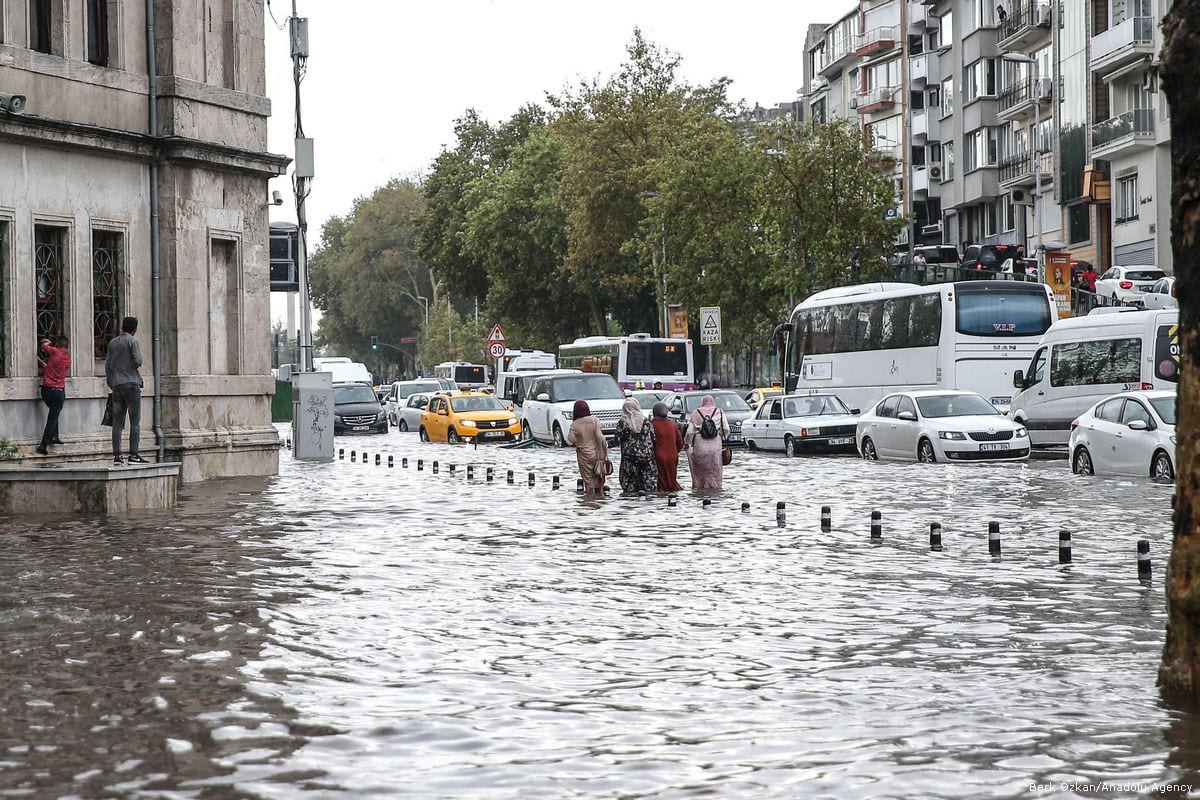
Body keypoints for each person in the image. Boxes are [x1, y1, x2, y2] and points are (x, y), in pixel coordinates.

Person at [105, 316, 147, 465]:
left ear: (122, 327)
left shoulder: (113, 342)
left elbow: (108, 364)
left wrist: (111, 382)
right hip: (131, 385)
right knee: (135, 421)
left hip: (117, 386)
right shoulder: (132, 341)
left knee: (117, 422)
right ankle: (134, 454)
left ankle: (117, 455)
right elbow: (138, 361)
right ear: (135, 329)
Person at [684, 395, 729, 490]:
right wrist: (720, 437)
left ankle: (699, 489)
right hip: (715, 446)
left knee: (699, 471)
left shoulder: (696, 413)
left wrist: (687, 443)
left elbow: (689, 432)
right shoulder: (719, 412)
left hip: (700, 445)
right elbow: (726, 428)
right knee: (715, 471)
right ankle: (715, 490)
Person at [36, 335, 71, 456]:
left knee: (54, 415)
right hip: (58, 392)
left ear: (58, 345)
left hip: (46, 391)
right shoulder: (67, 359)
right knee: (52, 418)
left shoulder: (55, 352)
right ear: (67, 346)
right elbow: (55, 368)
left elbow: (44, 345)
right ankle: (43, 445)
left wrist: (47, 341)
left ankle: (54, 436)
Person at [614, 397, 657, 494]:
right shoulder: (646, 421)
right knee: (648, 487)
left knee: (630, 487)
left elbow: (617, 440)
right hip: (647, 457)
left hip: (629, 459)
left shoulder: (622, 423)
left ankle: (632, 506)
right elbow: (654, 438)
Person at [566, 399, 607, 495]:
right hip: (598, 453)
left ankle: (588, 500)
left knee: (588, 481)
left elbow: (569, 441)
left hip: (584, 456)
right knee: (599, 475)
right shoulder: (594, 420)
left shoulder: (575, 425)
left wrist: (578, 441)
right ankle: (600, 497)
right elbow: (600, 437)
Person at [651, 402, 684, 492]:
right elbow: (680, 442)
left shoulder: (652, 425)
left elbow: (650, 442)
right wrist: (674, 451)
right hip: (673, 456)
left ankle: (662, 500)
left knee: (661, 483)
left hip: (658, 456)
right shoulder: (673, 424)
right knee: (671, 479)